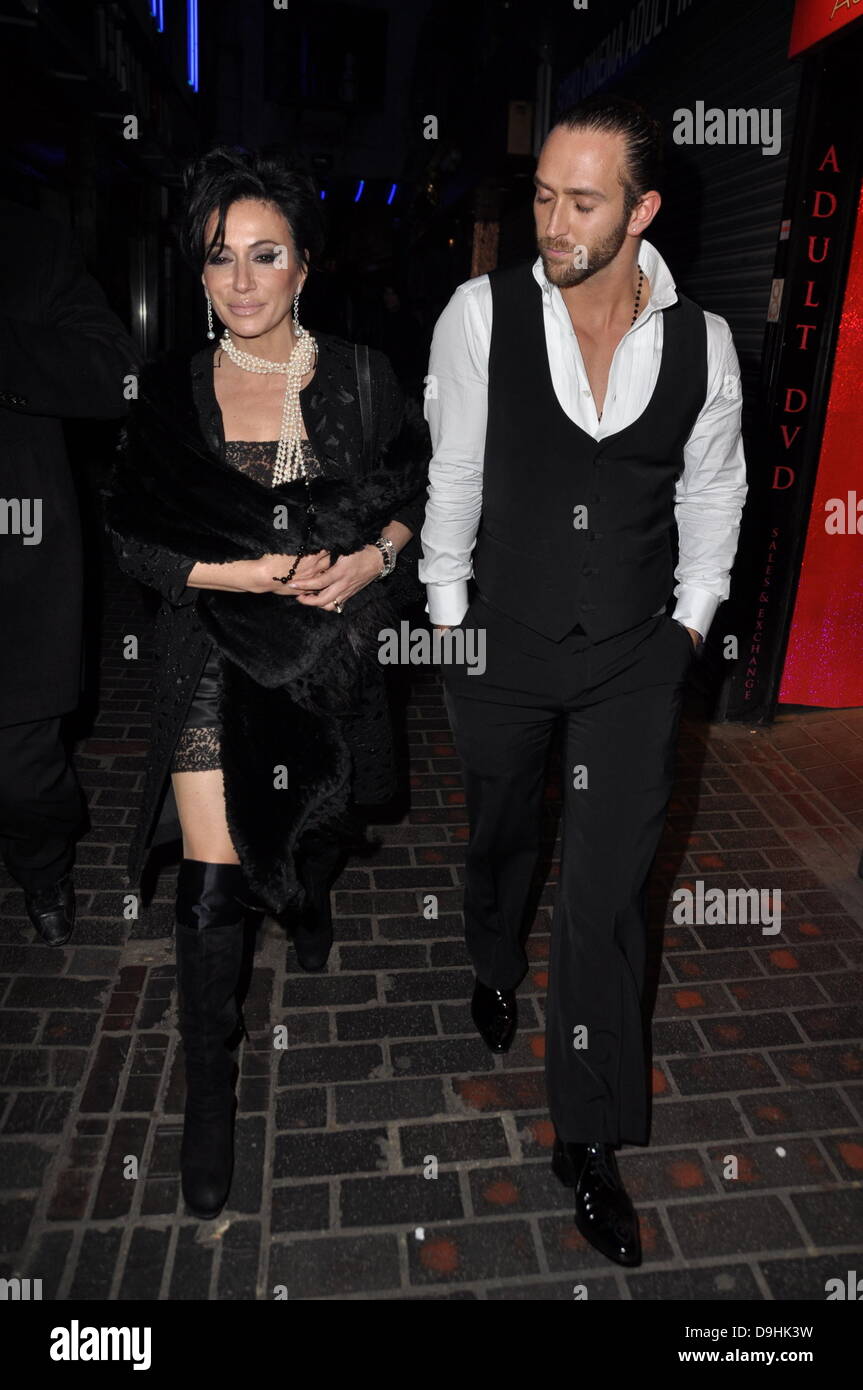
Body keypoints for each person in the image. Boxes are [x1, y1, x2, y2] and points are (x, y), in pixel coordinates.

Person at [420, 97, 748, 1267]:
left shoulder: (703, 344)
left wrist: (685, 627)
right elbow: (451, 475)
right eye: (542, 195)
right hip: (498, 643)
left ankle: (589, 1133)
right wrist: (450, 625)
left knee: (605, 897)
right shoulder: (480, 314)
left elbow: (712, 491)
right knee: (503, 835)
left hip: (628, 659)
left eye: (581, 200)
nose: (552, 221)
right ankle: (490, 954)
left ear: (641, 209)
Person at [105, 148, 430, 1220]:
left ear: (302, 267)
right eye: (218, 260)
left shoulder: (362, 374)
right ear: (198, 276)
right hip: (210, 647)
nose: (240, 281)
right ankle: (209, 1095)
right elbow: (134, 537)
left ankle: (312, 882)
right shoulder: (167, 388)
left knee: (311, 828)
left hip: (324, 655)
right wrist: (230, 572)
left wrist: (370, 561)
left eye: (264, 256)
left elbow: (410, 491)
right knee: (214, 872)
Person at [0, 200, 138, 946]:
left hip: (12, 573)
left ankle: (44, 864)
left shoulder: (30, 238)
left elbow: (114, 376)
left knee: (21, 774)